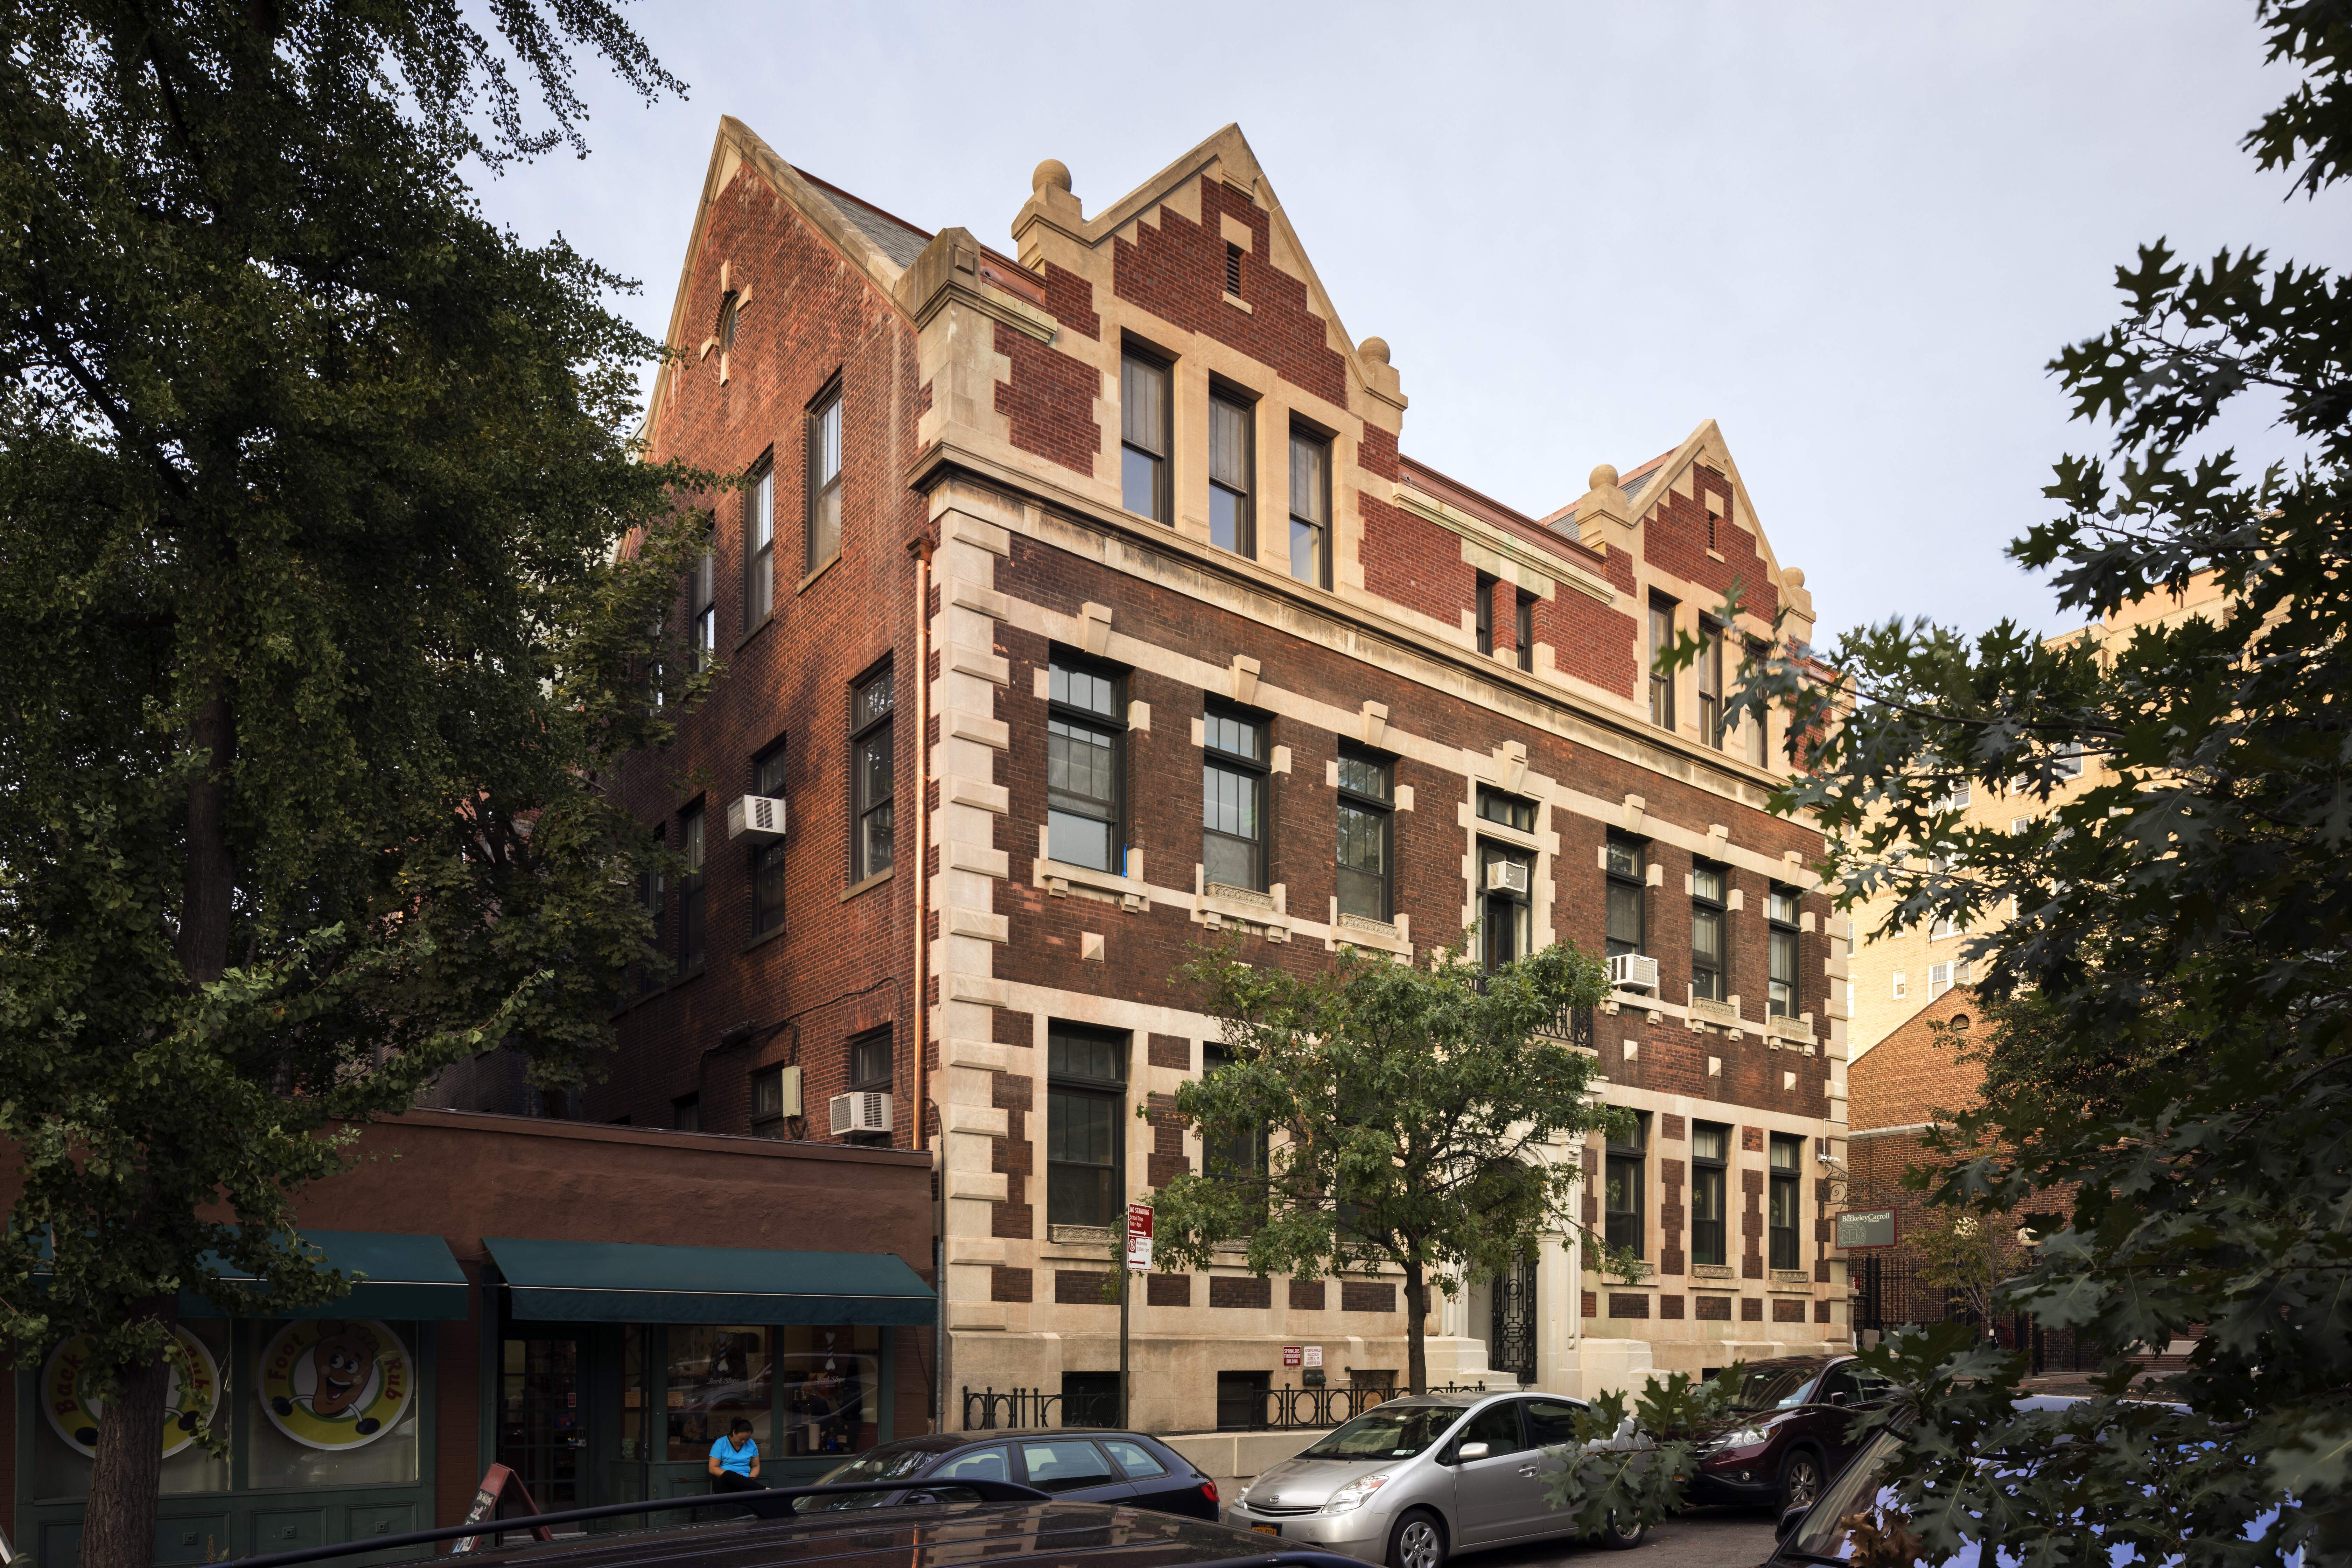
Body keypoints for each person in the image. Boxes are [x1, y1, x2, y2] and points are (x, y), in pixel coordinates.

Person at [708, 1417, 762, 1493]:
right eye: (741, 1439)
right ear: (734, 1432)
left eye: (747, 1439)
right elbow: (713, 1468)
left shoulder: (751, 1444)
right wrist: (736, 1477)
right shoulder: (720, 1444)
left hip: (745, 1481)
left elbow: (756, 1465)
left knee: (749, 1495)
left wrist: (751, 1477)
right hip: (725, 1481)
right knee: (730, 1475)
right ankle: (764, 1489)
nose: (744, 1442)